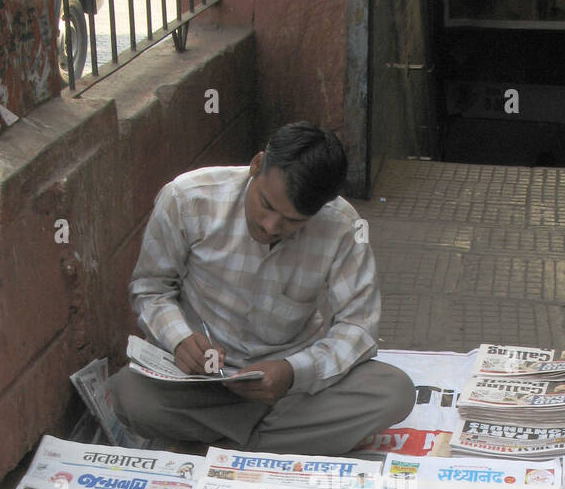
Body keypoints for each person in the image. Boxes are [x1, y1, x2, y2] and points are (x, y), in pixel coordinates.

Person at [108, 124, 415, 454]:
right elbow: (150, 288)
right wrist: (180, 339)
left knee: (394, 392)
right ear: (256, 165)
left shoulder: (343, 226)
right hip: (201, 383)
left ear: (320, 209)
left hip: (287, 389)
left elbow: (358, 327)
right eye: (266, 205)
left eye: (292, 221)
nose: (270, 227)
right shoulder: (187, 198)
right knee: (128, 394)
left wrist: (292, 372)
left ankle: (215, 444)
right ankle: (273, 443)